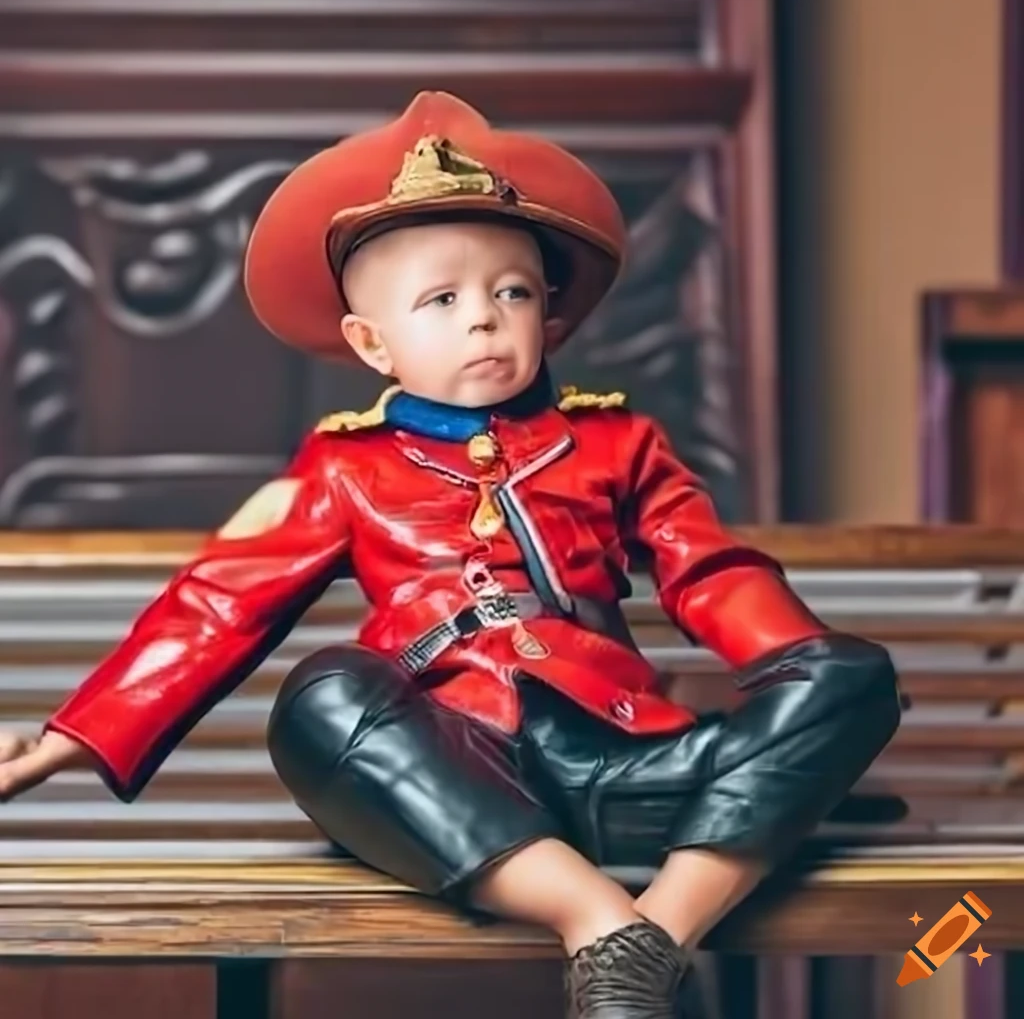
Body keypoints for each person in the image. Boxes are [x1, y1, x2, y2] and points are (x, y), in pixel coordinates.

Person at [0, 92, 901, 1018]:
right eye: (443, 299)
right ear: (371, 343)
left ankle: (655, 937)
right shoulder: (345, 467)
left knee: (854, 673)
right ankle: (598, 921)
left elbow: (712, 571)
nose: (484, 319)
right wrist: (65, 742)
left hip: (629, 763)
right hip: (454, 774)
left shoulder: (616, 442)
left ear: (550, 319)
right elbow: (218, 605)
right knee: (321, 696)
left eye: (513, 292)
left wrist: (804, 688)